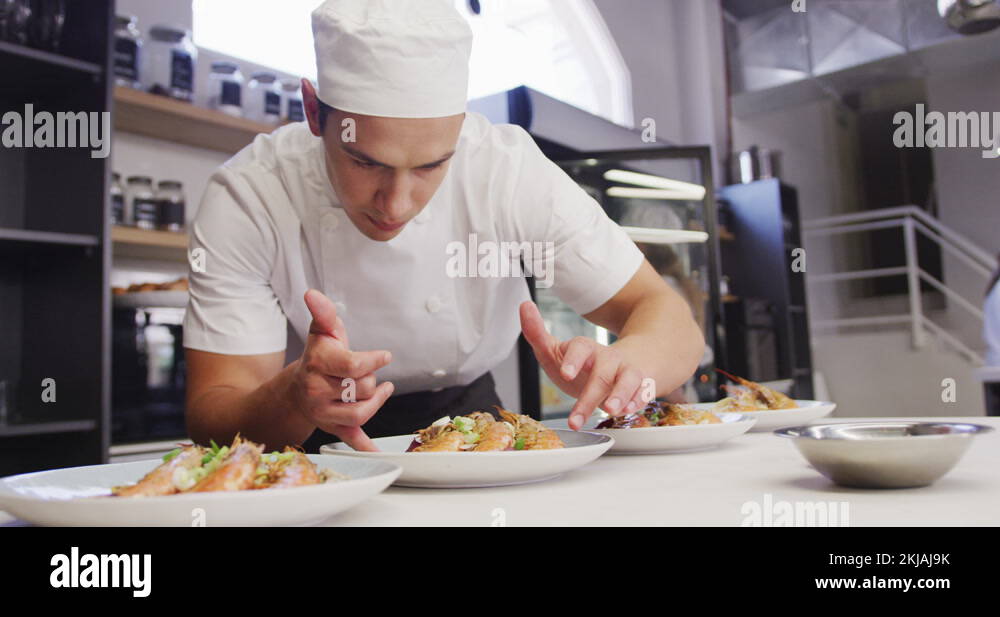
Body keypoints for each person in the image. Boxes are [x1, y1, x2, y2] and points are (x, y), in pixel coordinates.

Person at [182, 0, 704, 452]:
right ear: (315, 111)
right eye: (365, 162)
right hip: (305, 440)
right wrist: (297, 394)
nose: (397, 203)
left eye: (432, 166)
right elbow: (214, 414)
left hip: (473, 428)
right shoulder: (250, 193)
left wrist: (626, 365)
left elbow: (666, 315)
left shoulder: (506, 169)